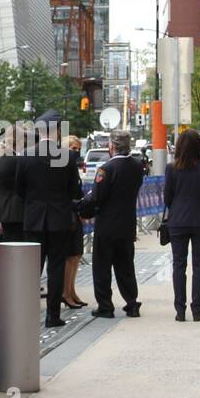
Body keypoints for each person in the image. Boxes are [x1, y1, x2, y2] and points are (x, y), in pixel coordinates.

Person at [15, 110, 82, 328]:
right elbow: (74, 191)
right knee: (56, 267)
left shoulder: (25, 155)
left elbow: (19, 189)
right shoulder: (67, 157)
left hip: (33, 218)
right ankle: (52, 315)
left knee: (32, 268)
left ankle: (27, 314)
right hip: (59, 218)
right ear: (57, 131)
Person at [78, 130, 145, 318]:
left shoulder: (106, 169)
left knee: (102, 267)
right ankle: (132, 302)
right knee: (126, 266)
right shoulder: (137, 166)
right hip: (127, 223)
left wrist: (81, 208)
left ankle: (105, 306)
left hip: (107, 225)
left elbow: (97, 197)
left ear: (112, 146)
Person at [165, 129, 200, 322]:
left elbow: (167, 197)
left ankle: (180, 309)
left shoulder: (171, 168)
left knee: (179, 265)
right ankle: (196, 308)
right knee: (199, 265)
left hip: (178, 221)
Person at [62, 135, 88, 310]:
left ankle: (71, 290)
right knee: (69, 255)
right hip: (67, 214)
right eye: (73, 149)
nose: (77, 152)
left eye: (78, 149)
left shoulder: (73, 167)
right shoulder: (62, 167)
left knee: (76, 255)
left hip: (75, 214)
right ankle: (65, 292)